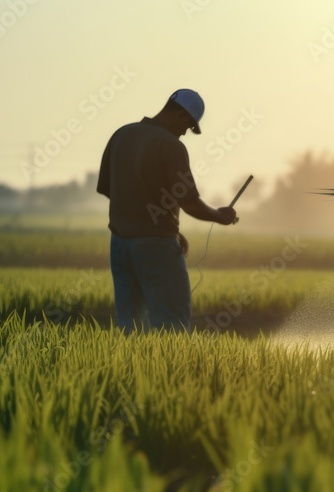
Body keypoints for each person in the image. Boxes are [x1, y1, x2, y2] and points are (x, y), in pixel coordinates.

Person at [96, 89, 237, 332]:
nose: (185, 133)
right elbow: (190, 202)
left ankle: (128, 371)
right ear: (180, 115)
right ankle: (170, 371)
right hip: (156, 249)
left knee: (131, 328)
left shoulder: (121, 135)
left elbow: (112, 191)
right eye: (188, 126)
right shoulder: (171, 146)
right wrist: (219, 216)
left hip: (119, 246)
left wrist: (166, 225)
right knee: (172, 327)